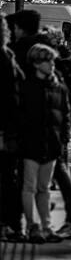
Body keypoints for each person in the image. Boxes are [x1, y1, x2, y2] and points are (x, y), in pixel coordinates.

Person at [9, 11, 71, 235]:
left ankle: (24, 224)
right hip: (51, 126)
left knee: (24, 180)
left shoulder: (21, 50)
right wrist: (64, 104)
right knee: (53, 176)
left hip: (34, 129)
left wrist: (62, 102)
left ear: (20, 28)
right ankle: (65, 220)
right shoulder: (54, 47)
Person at [19, 43, 69, 243]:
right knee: (30, 187)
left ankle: (46, 227)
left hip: (51, 143)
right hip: (31, 143)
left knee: (44, 187)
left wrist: (63, 139)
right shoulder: (26, 87)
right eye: (47, 61)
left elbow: (65, 116)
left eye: (52, 60)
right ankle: (33, 226)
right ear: (36, 63)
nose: (51, 65)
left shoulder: (59, 87)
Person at [0, 13, 24, 240]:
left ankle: (11, 224)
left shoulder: (6, 57)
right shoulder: (8, 56)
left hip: (6, 129)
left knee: (7, 177)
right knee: (9, 177)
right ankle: (14, 223)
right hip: (10, 128)